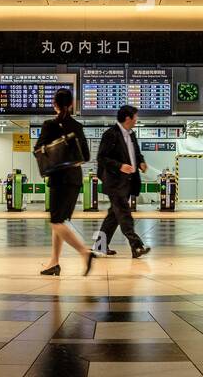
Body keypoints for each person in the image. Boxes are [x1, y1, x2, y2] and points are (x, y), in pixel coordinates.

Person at [33, 87, 94, 276]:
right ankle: (54, 262)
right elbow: (86, 155)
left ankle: (84, 252)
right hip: (75, 178)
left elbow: (38, 149)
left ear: (55, 104)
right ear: (71, 105)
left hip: (59, 179)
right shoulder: (77, 126)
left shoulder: (49, 125)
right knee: (58, 220)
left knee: (56, 222)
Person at [93, 104, 151, 259]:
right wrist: (120, 166)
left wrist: (141, 162)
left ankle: (100, 245)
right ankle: (136, 246)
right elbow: (102, 158)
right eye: (135, 117)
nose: (136, 120)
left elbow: (136, 153)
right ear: (128, 118)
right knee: (125, 214)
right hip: (115, 182)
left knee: (114, 215)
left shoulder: (131, 134)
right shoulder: (110, 134)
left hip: (129, 181)